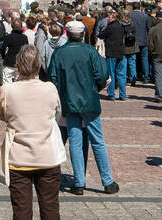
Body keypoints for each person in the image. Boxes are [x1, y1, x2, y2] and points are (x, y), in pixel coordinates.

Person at [0, 45, 62, 220]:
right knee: (50, 207)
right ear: (38, 65)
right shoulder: (49, 88)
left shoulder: (8, 90)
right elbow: (57, 113)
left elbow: (3, 116)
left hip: (19, 156)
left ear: (18, 65)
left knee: (21, 209)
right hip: (47, 155)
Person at [46, 20, 118, 196]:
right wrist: (96, 88)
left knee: (75, 142)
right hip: (89, 101)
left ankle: (79, 182)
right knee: (97, 141)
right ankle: (107, 181)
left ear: (67, 34)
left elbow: (52, 78)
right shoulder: (90, 51)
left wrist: (60, 97)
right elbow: (102, 74)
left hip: (69, 102)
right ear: (83, 35)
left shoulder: (59, 53)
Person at [102, 10, 129, 100]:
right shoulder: (121, 26)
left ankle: (111, 94)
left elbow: (101, 34)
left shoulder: (110, 27)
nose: (108, 19)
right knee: (121, 74)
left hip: (111, 52)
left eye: (109, 17)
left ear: (113, 18)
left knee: (111, 74)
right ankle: (123, 95)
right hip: (121, 52)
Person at [147, 10, 162, 104]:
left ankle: (159, 96)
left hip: (157, 54)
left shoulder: (152, 30)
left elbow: (150, 44)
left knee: (158, 77)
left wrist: (152, 52)